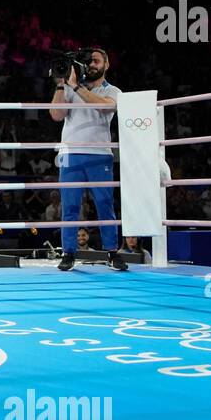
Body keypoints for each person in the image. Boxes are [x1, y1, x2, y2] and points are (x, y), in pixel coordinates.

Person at [48, 47, 128, 272]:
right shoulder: (70, 89)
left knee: (105, 204)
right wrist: (61, 83)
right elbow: (56, 115)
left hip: (100, 155)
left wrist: (76, 86)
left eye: (96, 61)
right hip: (70, 154)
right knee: (70, 206)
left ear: (106, 65)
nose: (92, 64)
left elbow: (104, 107)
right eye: (89, 61)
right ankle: (68, 253)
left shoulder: (113, 91)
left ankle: (112, 252)